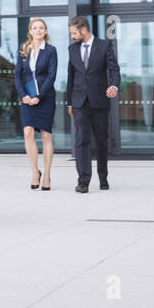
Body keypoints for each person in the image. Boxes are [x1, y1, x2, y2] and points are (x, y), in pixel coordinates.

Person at [66, 16, 119, 193]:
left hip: (99, 100)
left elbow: (114, 69)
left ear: (83, 30)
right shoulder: (72, 49)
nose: (72, 36)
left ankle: (103, 177)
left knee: (102, 141)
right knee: (81, 140)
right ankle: (83, 181)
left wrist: (114, 85)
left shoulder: (104, 46)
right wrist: (69, 102)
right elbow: (71, 77)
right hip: (80, 101)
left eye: (74, 33)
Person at [15, 18, 57, 191]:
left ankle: (47, 174)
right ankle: (35, 172)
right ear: (30, 31)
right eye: (35, 28)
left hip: (45, 97)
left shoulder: (51, 51)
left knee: (46, 135)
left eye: (41, 28)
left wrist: (39, 96)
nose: (38, 30)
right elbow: (17, 75)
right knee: (27, 133)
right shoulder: (23, 50)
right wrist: (23, 95)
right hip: (27, 97)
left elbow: (51, 76)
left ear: (45, 31)